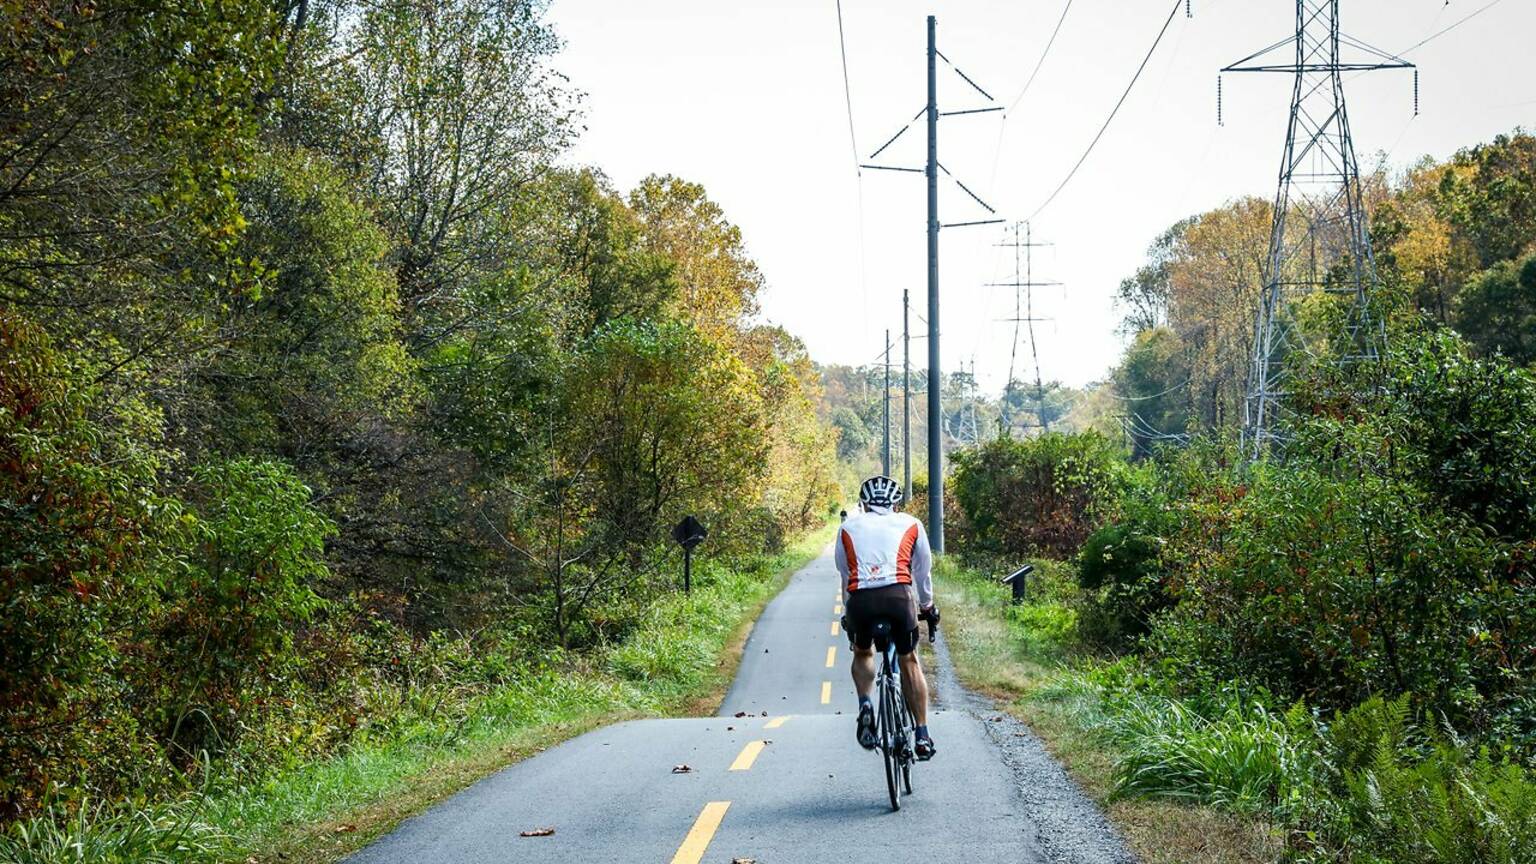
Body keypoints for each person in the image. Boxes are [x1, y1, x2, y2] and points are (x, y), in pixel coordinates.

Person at [834, 475, 940, 760]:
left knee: (863, 652)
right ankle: (922, 734)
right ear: (896, 504)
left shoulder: (847, 527)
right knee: (909, 659)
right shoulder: (911, 523)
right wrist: (927, 606)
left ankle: (866, 704)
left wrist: (847, 612)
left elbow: (845, 574)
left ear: (864, 503)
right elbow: (922, 571)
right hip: (898, 599)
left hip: (861, 601)